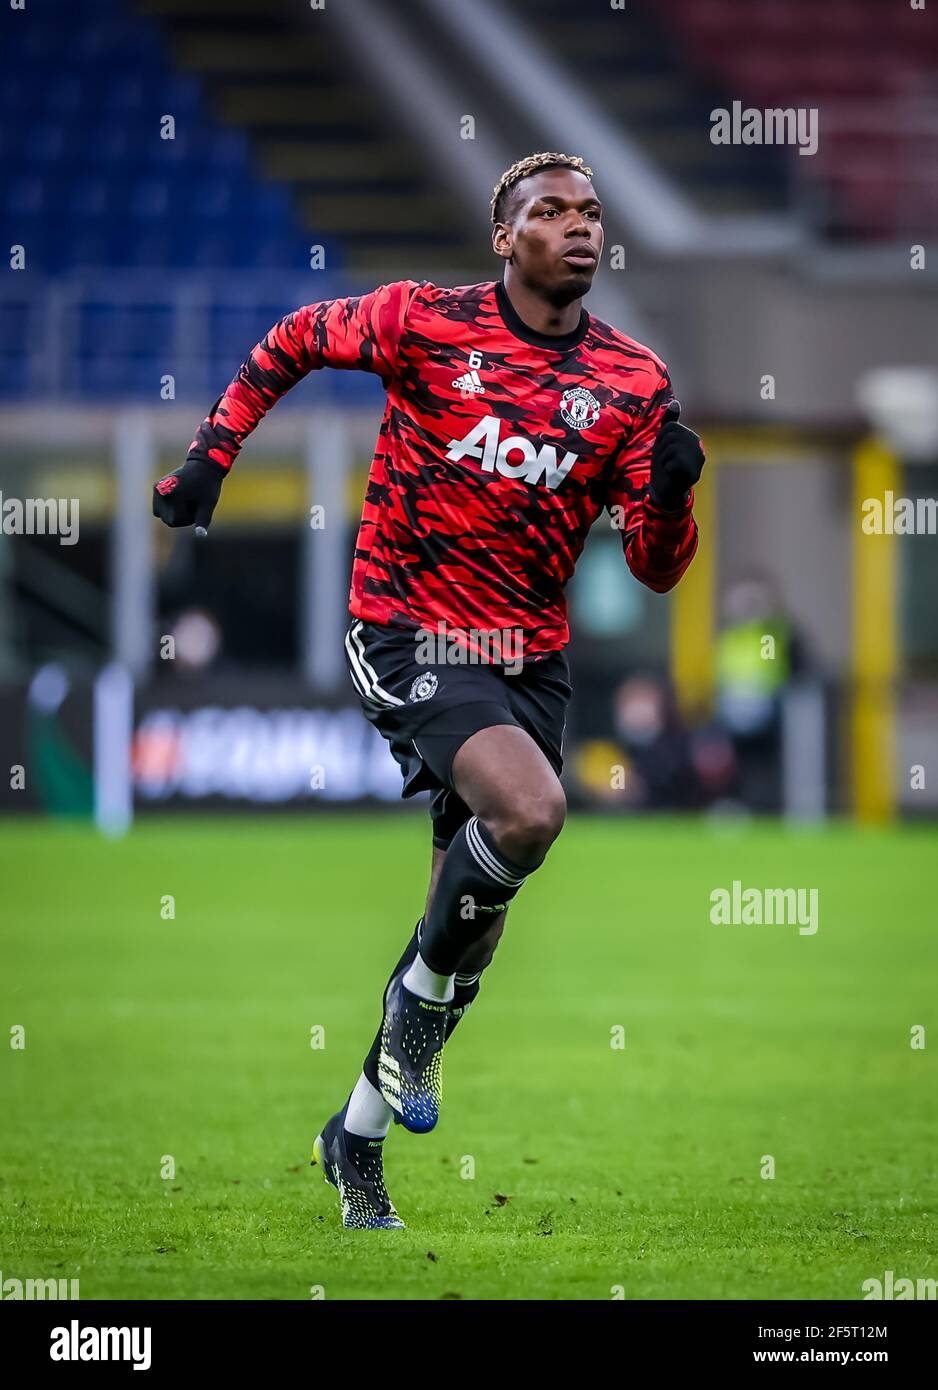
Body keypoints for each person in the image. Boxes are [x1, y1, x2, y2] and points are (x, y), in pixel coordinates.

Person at [152, 151, 706, 1228]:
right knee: (531, 809)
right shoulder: (423, 321)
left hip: (529, 656)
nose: (578, 228)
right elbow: (293, 339)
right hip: (407, 625)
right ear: (505, 238)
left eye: (591, 213)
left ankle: (351, 1142)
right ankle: (411, 1014)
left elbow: (651, 566)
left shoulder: (633, 382)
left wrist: (673, 501)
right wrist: (213, 453)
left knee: (466, 925)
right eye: (550, 212)